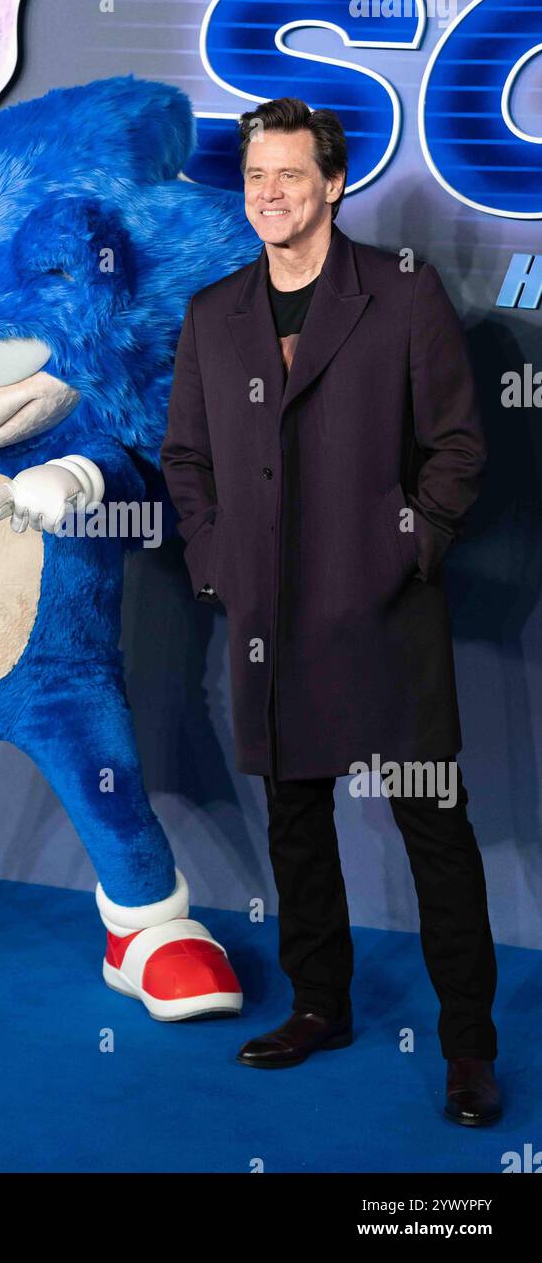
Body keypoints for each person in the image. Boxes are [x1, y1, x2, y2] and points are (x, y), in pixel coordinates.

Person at [160, 97, 500, 1126]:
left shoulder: (401, 294)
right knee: (296, 826)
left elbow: (457, 449)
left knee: (435, 836)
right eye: (257, 176)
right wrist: (219, 562)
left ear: (334, 183)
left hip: (387, 622)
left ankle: (469, 1052)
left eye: (290, 176)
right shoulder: (214, 312)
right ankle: (320, 1006)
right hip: (270, 622)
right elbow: (188, 459)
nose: (269, 193)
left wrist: (403, 547)